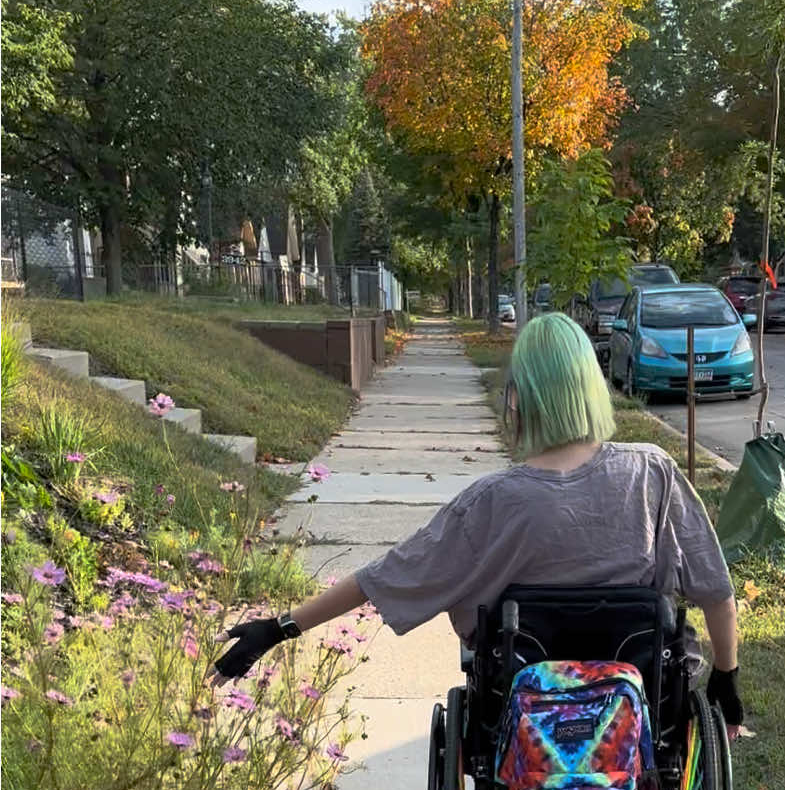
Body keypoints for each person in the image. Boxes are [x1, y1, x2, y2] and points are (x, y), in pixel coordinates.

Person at [210, 312, 743, 737]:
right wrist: (726, 677)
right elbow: (715, 590)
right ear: (593, 388)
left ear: (518, 399)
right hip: (640, 699)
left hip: (521, 705)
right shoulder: (652, 473)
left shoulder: (491, 502)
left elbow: (387, 575)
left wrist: (278, 629)